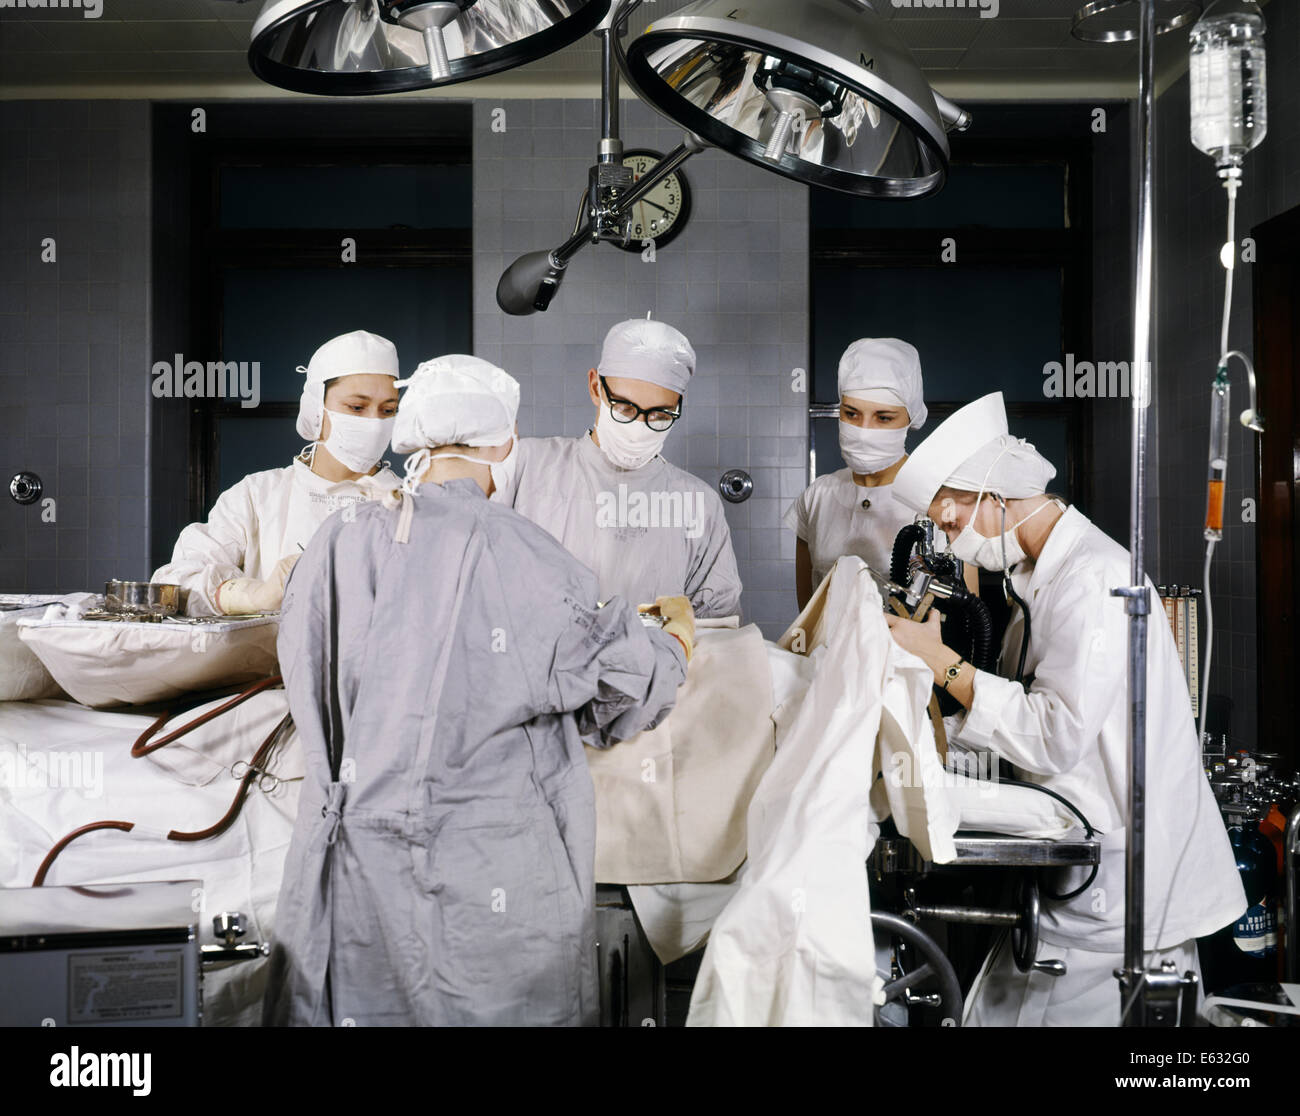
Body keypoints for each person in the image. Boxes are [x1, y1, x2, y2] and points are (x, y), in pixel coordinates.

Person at [263, 354, 694, 1027]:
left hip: (353, 876)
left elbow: (309, 665)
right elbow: (619, 695)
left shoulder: (338, 542)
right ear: (504, 442)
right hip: (488, 873)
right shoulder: (519, 549)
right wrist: (674, 643)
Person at [885, 391, 1246, 1026]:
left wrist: (940, 662)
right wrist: (935, 733)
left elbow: (1055, 734)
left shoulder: (1094, 578)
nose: (952, 540)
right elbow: (1027, 715)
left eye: (950, 522)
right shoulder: (1038, 582)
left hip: (1124, 888)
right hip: (1083, 873)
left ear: (995, 498)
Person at [500, 318, 742, 618]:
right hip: (539, 663)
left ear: (679, 406)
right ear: (594, 387)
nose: (639, 427)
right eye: (625, 408)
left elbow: (718, 624)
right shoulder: (526, 467)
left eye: (659, 415)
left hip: (651, 665)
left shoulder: (699, 504)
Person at [152, 330, 402, 615]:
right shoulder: (258, 497)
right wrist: (250, 596)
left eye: (388, 410)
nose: (374, 422)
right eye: (357, 407)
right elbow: (173, 585)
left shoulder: (412, 505)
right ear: (315, 408)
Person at [785, 338, 928, 610]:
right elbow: (806, 613)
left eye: (883, 417)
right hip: (827, 651)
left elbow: (962, 624)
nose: (863, 430)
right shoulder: (817, 497)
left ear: (909, 419)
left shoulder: (938, 501)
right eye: (851, 414)